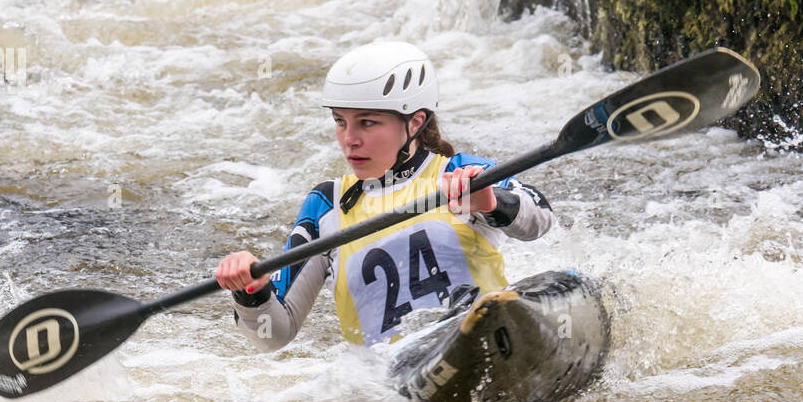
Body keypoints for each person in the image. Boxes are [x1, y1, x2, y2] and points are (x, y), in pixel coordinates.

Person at [215, 41, 555, 351]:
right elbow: (273, 335)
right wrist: (252, 290)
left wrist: (489, 203)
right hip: (389, 384)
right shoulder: (327, 205)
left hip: (486, 344)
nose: (349, 139)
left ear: (415, 122)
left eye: (366, 123)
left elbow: (540, 221)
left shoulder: (461, 172)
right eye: (340, 122)